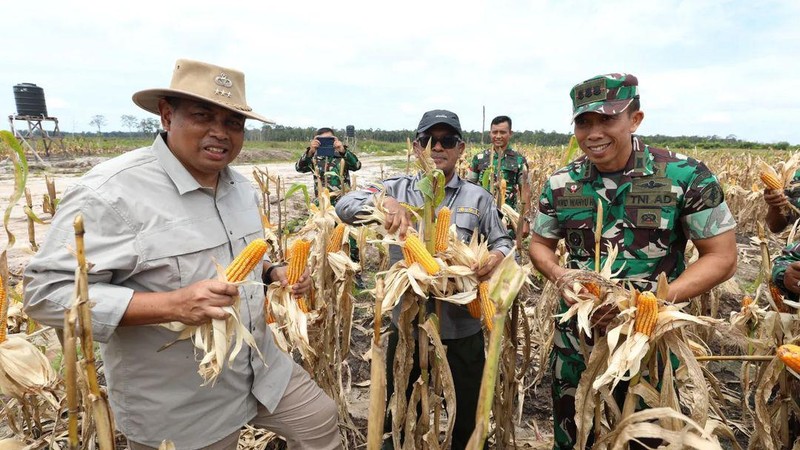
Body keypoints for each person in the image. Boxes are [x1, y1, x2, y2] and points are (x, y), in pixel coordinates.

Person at [23, 59, 341, 450]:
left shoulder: (240, 188)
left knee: (320, 421)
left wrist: (273, 273)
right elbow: (44, 294)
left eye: (233, 123)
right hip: (180, 398)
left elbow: (239, 266)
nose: (220, 133)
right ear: (167, 115)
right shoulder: (110, 193)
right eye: (204, 116)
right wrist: (172, 305)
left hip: (259, 368)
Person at [527, 73, 737, 449]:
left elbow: (721, 256)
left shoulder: (685, 175)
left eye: (607, 119)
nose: (593, 133)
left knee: (646, 436)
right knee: (576, 436)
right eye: (583, 122)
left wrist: (655, 302)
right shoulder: (562, 183)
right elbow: (539, 245)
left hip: (648, 341)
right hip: (578, 342)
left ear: (635, 119)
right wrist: (560, 276)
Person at [335, 109, 514, 450]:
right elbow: (345, 204)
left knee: (468, 422)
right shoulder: (393, 188)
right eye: (429, 140)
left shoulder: (478, 197)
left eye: (448, 141)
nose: (438, 148)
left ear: (461, 149)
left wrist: (495, 258)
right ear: (416, 147)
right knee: (397, 418)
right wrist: (384, 203)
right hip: (407, 328)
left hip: (463, 329)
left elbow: (503, 241)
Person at [296, 128, 363, 286]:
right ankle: (325, 270)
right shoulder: (314, 157)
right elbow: (299, 167)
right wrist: (311, 151)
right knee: (323, 238)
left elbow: (357, 165)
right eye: (322, 140)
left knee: (350, 239)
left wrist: (342, 150)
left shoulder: (341, 156)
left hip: (342, 203)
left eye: (330, 140)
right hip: (323, 207)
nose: (327, 144)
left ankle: (355, 272)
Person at [467, 115, 530, 239]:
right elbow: (468, 187)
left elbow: (525, 192)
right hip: (481, 216)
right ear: (490, 133)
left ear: (510, 133)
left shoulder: (519, 160)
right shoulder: (479, 158)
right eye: (495, 132)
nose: (498, 136)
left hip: (507, 218)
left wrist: (525, 221)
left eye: (503, 132)